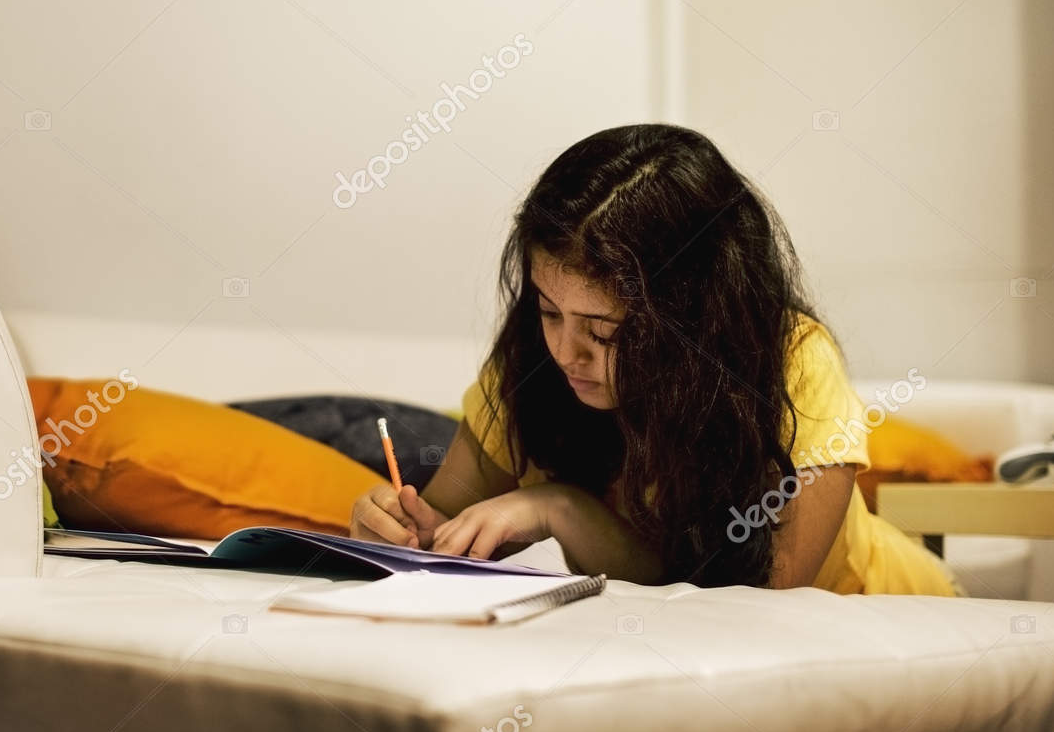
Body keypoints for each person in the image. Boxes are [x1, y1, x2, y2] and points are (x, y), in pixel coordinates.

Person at [349, 124, 961, 595]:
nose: (566, 352)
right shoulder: (531, 361)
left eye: (605, 330)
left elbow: (765, 600)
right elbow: (440, 531)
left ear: (695, 318)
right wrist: (396, 530)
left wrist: (561, 510)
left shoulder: (792, 360)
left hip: (895, 623)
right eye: (548, 310)